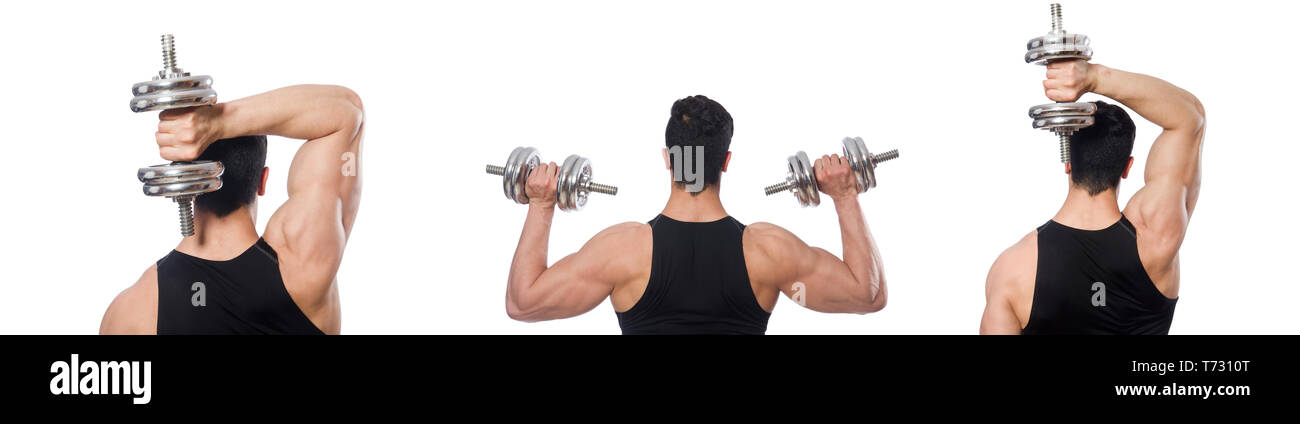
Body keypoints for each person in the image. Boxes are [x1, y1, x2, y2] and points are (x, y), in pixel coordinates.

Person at [505, 95, 887, 334]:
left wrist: (541, 204)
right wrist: (844, 195)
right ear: (726, 161)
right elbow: (867, 295)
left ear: (668, 159)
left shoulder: (622, 249)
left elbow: (522, 304)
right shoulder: (768, 250)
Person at [100, 85, 365, 335]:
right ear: (262, 181)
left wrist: (213, 125)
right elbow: (347, 111)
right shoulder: (303, 262)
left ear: (186, 182)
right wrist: (219, 123)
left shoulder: (131, 311)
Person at [980, 61, 1205, 334]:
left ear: (1067, 162)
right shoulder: (1155, 236)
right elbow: (1189, 117)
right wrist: (1094, 77)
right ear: (1127, 167)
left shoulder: (1012, 269)